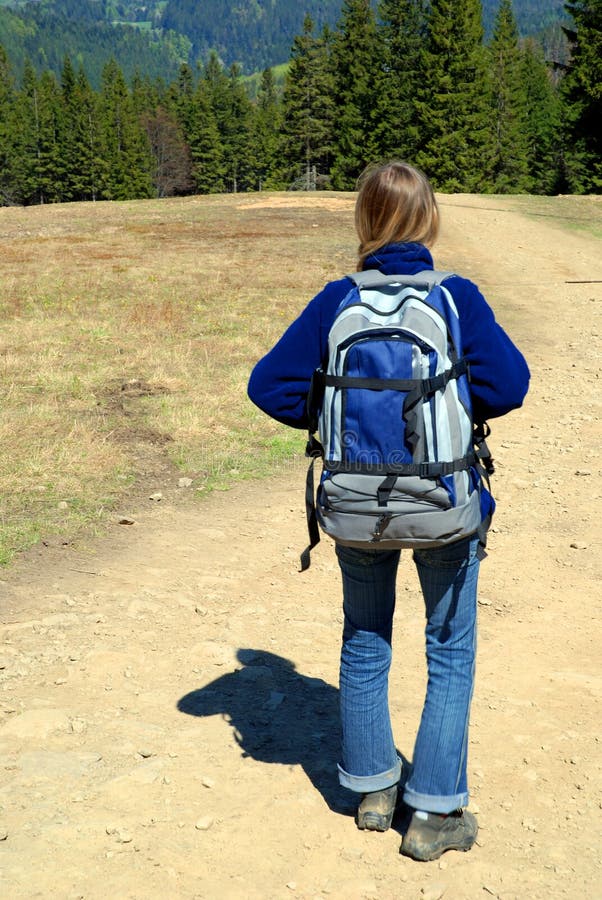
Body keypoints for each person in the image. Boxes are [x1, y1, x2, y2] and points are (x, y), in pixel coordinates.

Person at [247, 161, 530, 862]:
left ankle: (373, 791)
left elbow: (268, 386)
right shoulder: (455, 297)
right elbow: (509, 385)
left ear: (365, 221)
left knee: (366, 637)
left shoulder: (336, 300)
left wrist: (334, 422)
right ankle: (433, 813)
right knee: (450, 649)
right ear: (428, 220)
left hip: (355, 506)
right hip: (442, 502)